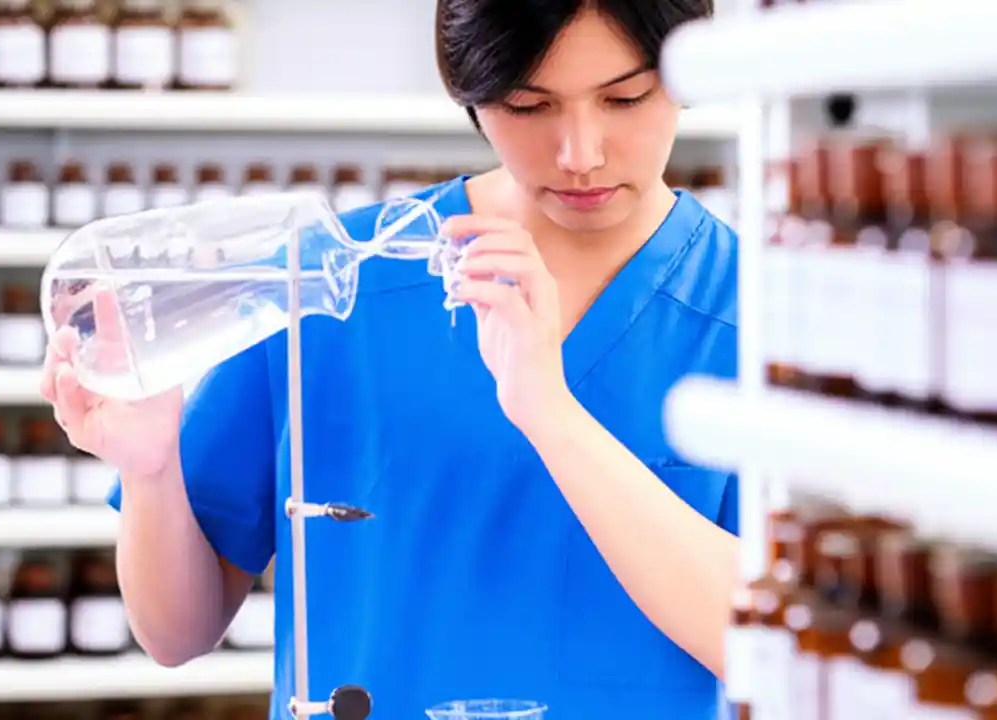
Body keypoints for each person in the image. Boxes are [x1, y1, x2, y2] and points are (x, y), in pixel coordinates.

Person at [39, 1, 739, 718]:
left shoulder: (756, 310)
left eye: (626, 98)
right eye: (529, 106)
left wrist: (551, 415)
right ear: (472, 91)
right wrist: (152, 472)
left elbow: (758, 640)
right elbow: (174, 635)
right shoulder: (326, 283)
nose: (580, 153)